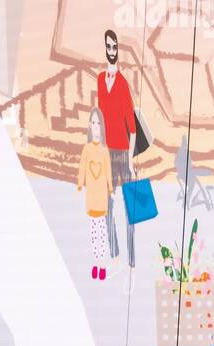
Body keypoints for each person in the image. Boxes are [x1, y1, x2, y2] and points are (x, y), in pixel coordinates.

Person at [98, 28, 138, 270]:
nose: (111, 51)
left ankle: (131, 258)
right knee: (107, 205)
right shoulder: (101, 81)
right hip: (107, 153)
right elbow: (100, 118)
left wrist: (131, 161)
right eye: (108, 47)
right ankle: (114, 251)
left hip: (123, 153)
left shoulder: (122, 85)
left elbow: (132, 129)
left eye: (115, 47)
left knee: (129, 208)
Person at [77, 107, 114, 281]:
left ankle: (102, 264)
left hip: (102, 199)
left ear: (102, 127)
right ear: (89, 126)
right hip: (91, 198)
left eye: (98, 123)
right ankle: (95, 262)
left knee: (102, 231)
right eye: (93, 123)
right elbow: (82, 168)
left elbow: (108, 171)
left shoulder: (105, 150)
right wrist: (79, 184)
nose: (96, 127)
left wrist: (111, 189)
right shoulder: (86, 149)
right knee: (93, 233)